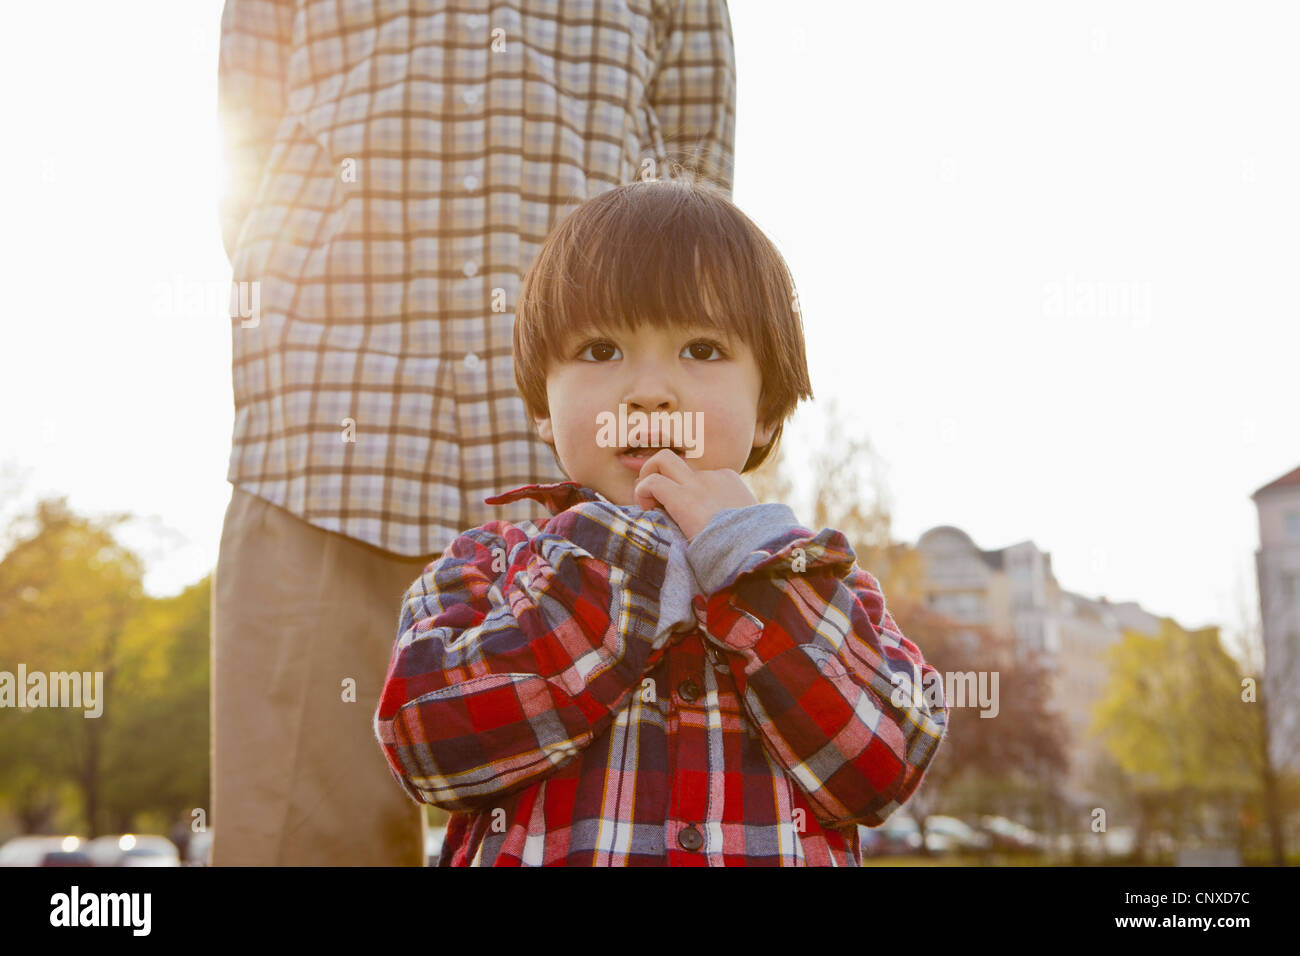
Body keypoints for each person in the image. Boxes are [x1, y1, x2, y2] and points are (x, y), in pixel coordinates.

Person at [213, 0, 737, 865]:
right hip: (320, 432)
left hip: (603, 464)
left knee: (604, 833)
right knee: (293, 843)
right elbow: (247, 131)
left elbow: (695, 197)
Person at [373, 179, 950, 865]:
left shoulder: (817, 582)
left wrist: (748, 566)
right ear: (541, 405)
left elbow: (882, 767)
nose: (649, 393)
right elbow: (426, 743)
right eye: (600, 351)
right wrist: (630, 561)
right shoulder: (483, 567)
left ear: (767, 408)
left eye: (702, 350)